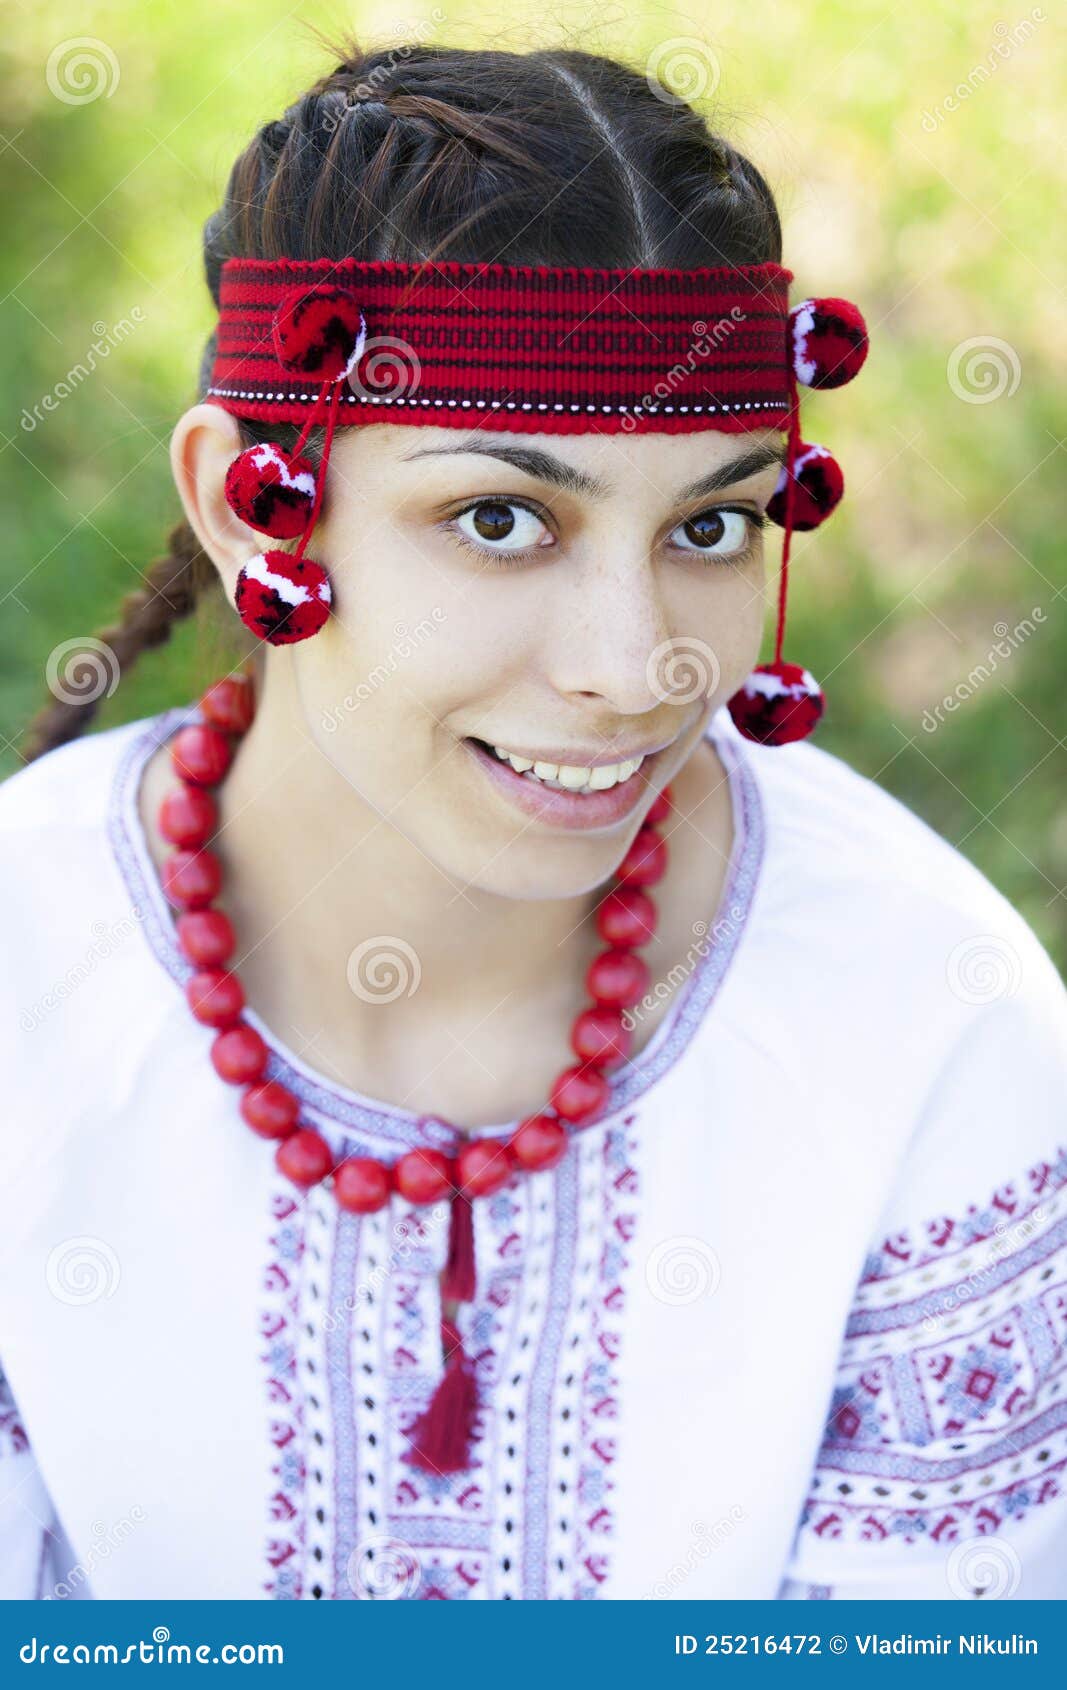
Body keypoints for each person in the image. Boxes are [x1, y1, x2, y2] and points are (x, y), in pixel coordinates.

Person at [1, 37, 1064, 1604]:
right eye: (502, 520)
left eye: (712, 523)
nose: (640, 668)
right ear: (251, 501)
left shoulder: (937, 1031)